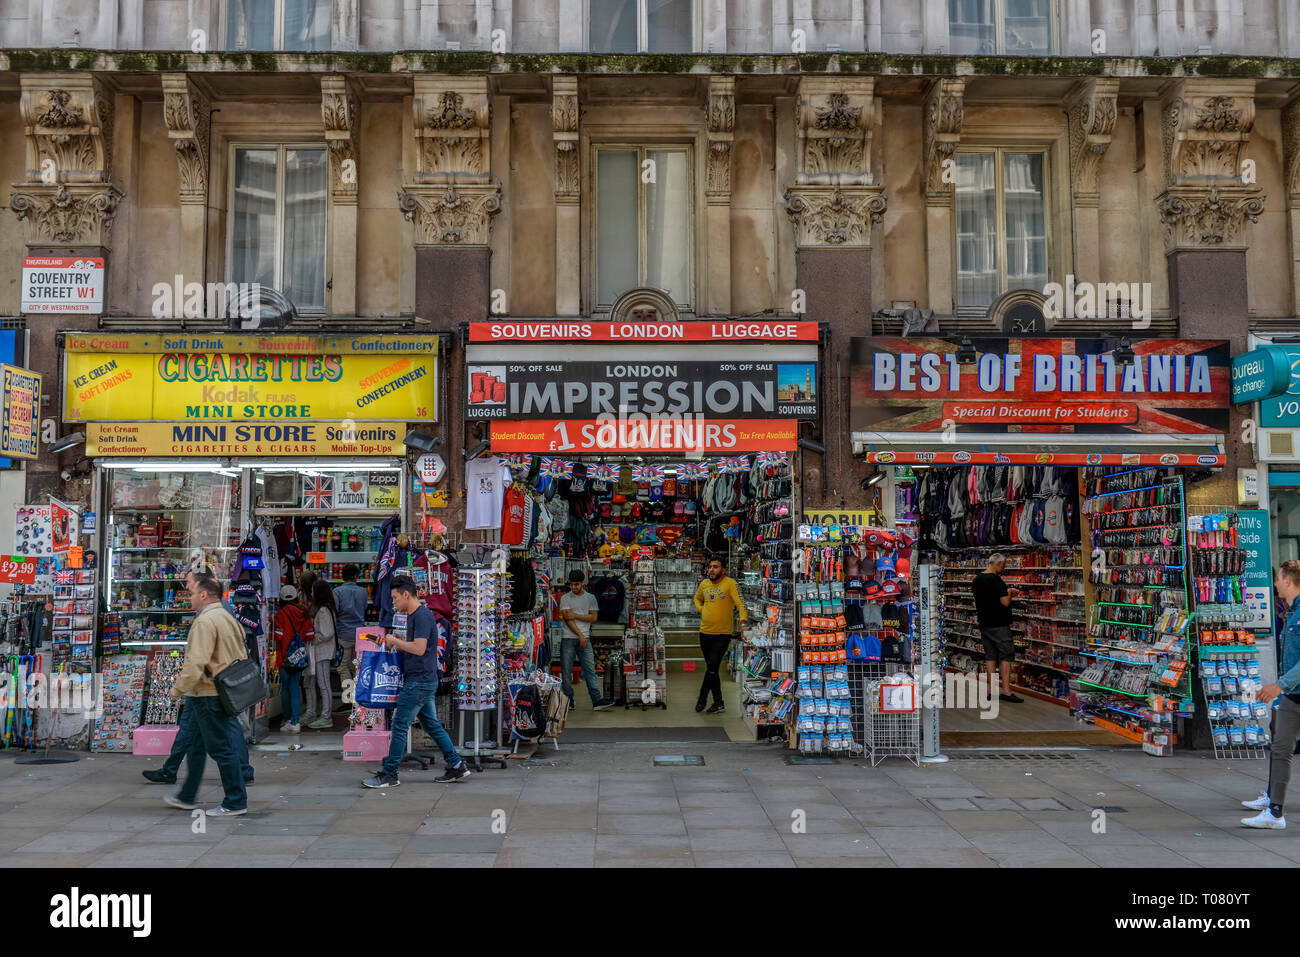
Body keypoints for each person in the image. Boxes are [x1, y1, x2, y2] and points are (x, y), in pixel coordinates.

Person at [142, 569, 255, 785]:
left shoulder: (210, 615)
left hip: (210, 686)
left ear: (203, 590)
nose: (187, 590)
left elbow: (198, 660)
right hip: (210, 685)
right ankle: (173, 770)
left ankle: (237, 784)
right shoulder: (218, 612)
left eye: (190, 586)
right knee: (195, 731)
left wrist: (177, 689)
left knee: (221, 740)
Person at [362, 576, 470, 788]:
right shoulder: (414, 616)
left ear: (406, 594)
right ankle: (456, 764)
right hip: (424, 679)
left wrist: (396, 642)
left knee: (400, 725)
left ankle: (390, 773)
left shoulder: (421, 616)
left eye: (394, 598)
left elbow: (419, 649)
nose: (393, 603)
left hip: (418, 681)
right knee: (432, 725)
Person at [164, 574, 249, 817]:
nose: (189, 598)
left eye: (191, 594)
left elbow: (196, 662)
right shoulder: (227, 617)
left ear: (203, 595)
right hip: (222, 689)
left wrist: (177, 689)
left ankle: (235, 801)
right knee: (196, 745)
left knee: (221, 749)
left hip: (207, 692)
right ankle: (187, 795)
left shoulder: (205, 621)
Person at [1241, 561, 1300, 829]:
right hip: (1292, 696)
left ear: (1288, 581)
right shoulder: (1292, 611)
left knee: (1282, 750)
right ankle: (1275, 812)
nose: (1275, 582)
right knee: (1280, 750)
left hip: (1289, 689)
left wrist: (1279, 685)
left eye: (1278, 578)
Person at [693, 557, 747, 714]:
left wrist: (743, 622)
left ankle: (702, 698)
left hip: (722, 635)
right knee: (713, 669)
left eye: (715, 567)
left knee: (712, 667)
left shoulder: (731, 584)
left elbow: (740, 604)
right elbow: (697, 598)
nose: (711, 570)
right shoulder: (704, 584)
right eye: (710, 567)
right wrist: (701, 609)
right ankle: (719, 702)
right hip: (704, 633)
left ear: (723, 570)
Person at [558, 569, 615, 712]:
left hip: (584, 639)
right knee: (566, 672)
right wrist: (581, 635)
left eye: (576, 584)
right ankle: (568, 701)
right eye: (571, 585)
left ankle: (596, 701)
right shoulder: (565, 598)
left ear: (582, 583)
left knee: (590, 670)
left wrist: (575, 615)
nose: (574, 587)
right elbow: (567, 619)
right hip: (569, 638)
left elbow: (593, 618)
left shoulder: (590, 598)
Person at [972, 553, 1023, 704]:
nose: (1004, 568)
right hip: (999, 624)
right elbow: (1005, 602)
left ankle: (992, 690)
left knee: (990, 656)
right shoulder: (996, 580)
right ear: (999, 564)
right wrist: (1011, 593)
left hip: (984, 623)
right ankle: (1006, 691)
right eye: (1004, 565)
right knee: (1006, 655)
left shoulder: (977, 579)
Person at [272, 584, 313, 733]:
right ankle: (296, 721)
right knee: (295, 687)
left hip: (283, 657)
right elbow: (310, 635)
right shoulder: (304, 613)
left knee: (285, 689)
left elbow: (278, 636)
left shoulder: (280, 614)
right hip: (299, 658)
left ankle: (287, 719)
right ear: (296, 598)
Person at [304, 580, 337, 729]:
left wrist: (312, 637)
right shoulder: (323, 609)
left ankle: (326, 716)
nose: (311, 594)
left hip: (322, 651)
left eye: (312, 591)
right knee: (316, 683)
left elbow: (327, 633)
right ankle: (317, 713)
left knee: (323, 684)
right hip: (318, 651)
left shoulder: (323, 611)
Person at [333, 564, 368, 684]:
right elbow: (364, 608)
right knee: (356, 666)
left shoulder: (337, 591)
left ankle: (348, 697)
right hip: (360, 634)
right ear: (355, 576)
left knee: (343, 666)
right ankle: (356, 697)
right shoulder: (363, 591)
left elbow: (335, 611)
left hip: (343, 634)